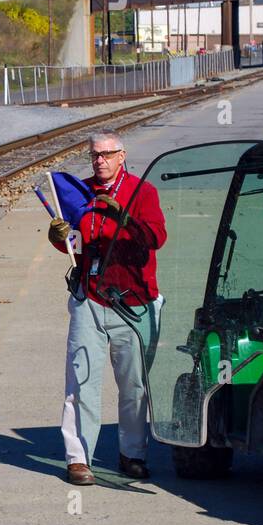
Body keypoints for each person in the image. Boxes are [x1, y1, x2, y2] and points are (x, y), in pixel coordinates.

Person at [47, 131, 166, 485]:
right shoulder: (81, 193)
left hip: (134, 303)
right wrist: (58, 239)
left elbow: (157, 238)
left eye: (106, 154)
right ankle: (78, 458)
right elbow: (75, 245)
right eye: (94, 155)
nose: (99, 160)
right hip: (90, 298)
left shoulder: (143, 192)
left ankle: (132, 454)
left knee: (135, 385)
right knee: (80, 381)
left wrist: (126, 220)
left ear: (122, 155)